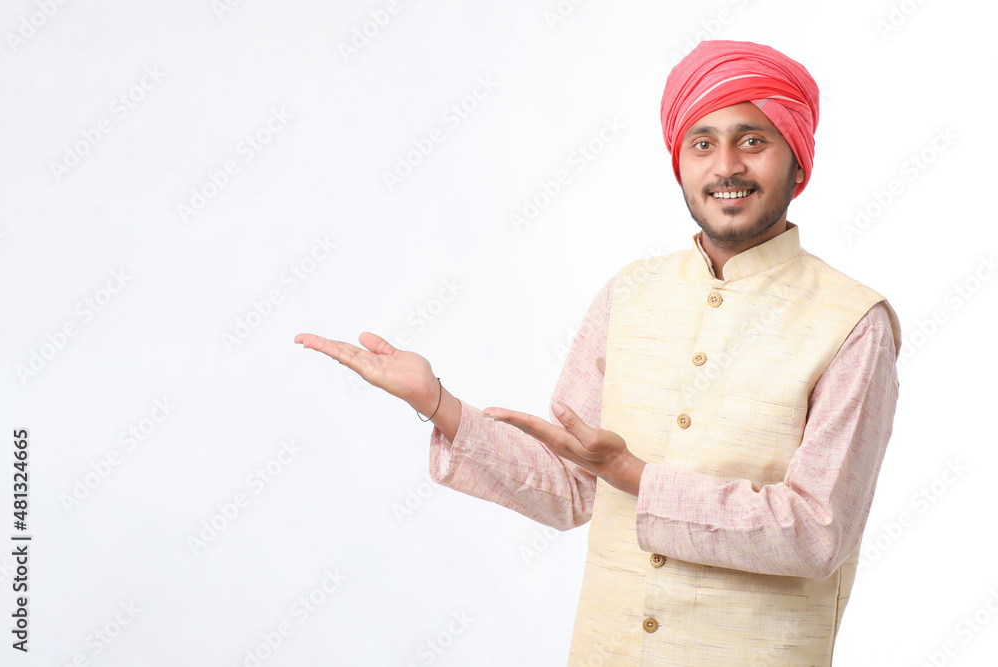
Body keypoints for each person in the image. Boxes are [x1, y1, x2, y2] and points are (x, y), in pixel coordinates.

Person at [296, 40, 901, 666]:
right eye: (702, 142)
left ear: (797, 162)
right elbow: (569, 489)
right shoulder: (631, 293)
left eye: (753, 141)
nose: (727, 165)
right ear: (679, 163)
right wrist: (438, 404)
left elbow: (816, 532)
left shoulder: (853, 322)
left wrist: (637, 478)